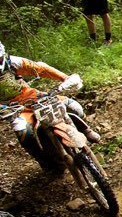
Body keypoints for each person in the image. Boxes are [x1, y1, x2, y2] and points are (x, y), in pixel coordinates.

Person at [0, 42, 100, 172]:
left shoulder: (12, 62)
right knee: (24, 134)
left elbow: (39, 68)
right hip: (13, 108)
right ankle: (45, 161)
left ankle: (84, 129)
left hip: (34, 97)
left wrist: (64, 78)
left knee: (73, 107)